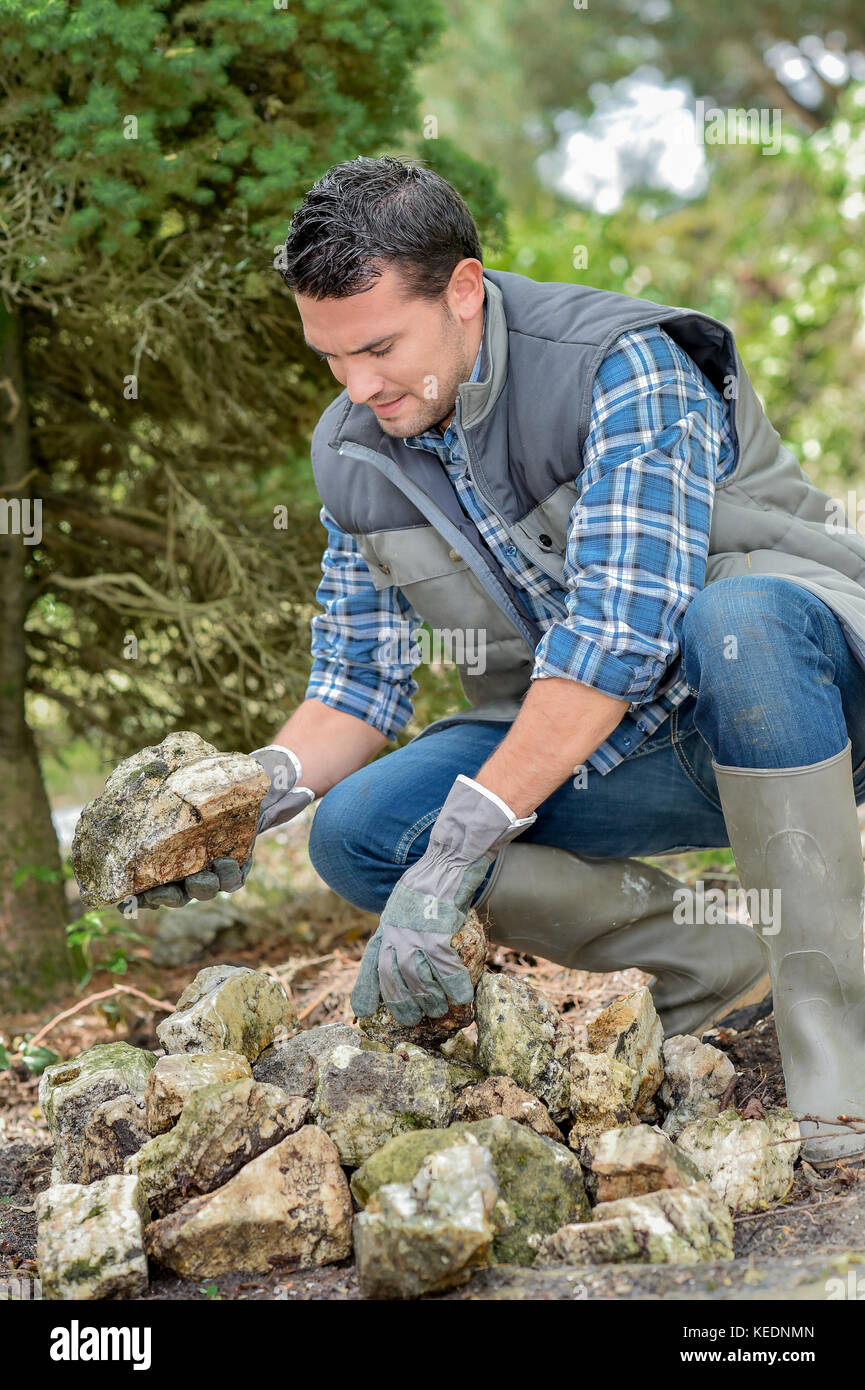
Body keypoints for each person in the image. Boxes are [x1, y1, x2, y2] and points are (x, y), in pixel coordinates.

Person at [144, 155, 865, 1168]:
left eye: (380, 348)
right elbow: (355, 682)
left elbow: (618, 638)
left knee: (735, 619)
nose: (358, 387)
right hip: (620, 756)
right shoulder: (353, 450)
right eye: (331, 359)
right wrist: (240, 799)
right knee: (359, 829)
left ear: (465, 290)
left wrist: (456, 858)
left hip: (802, 707)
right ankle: (709, 960)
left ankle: (840, 1058)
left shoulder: (623, 365)